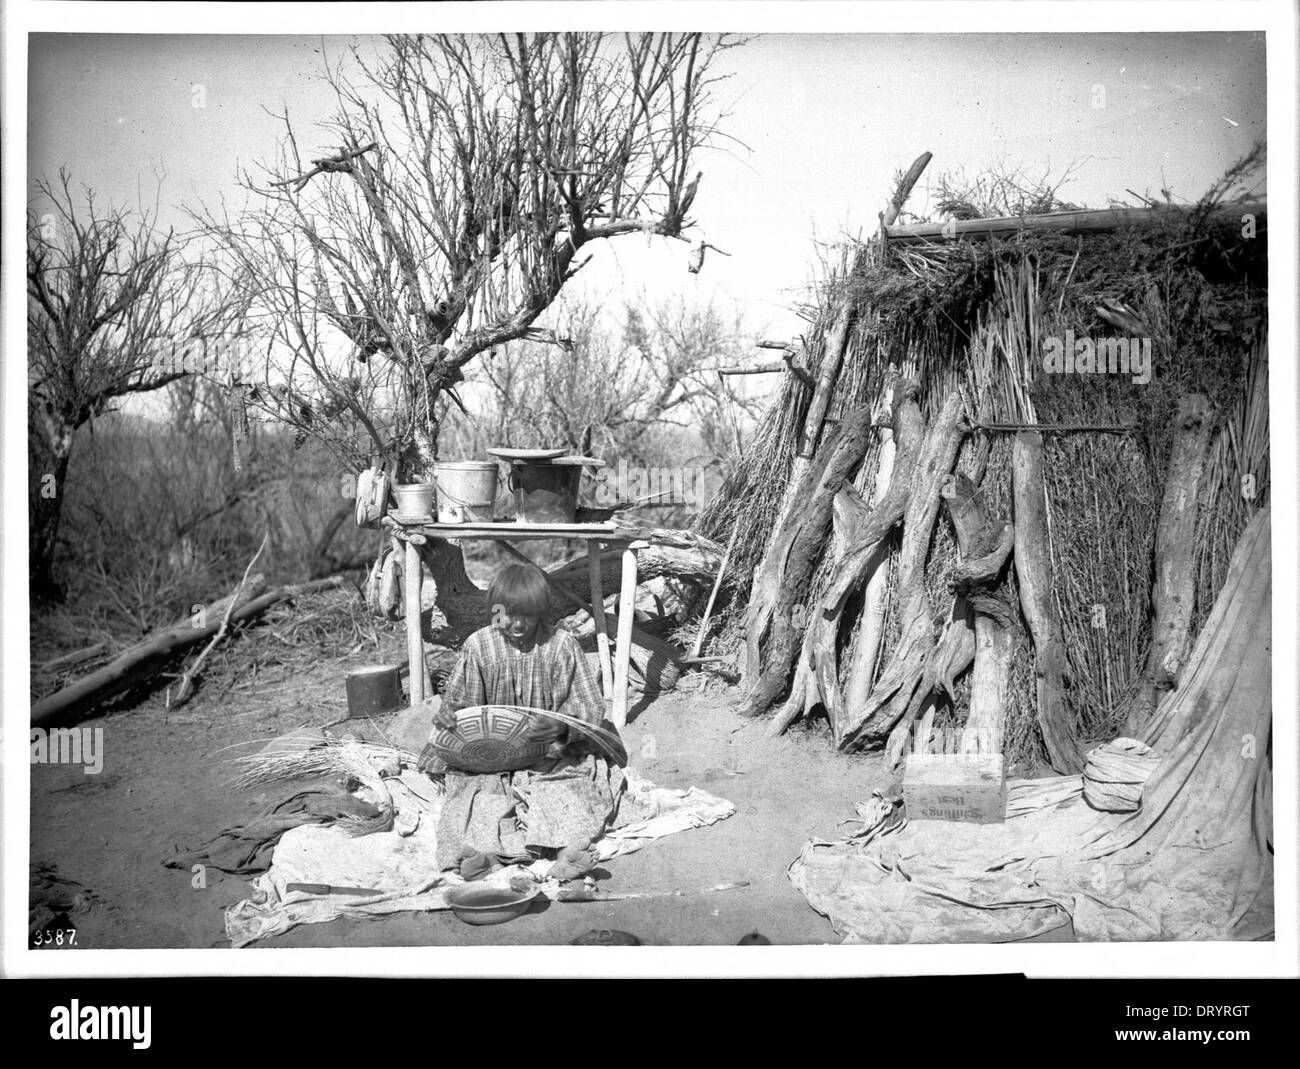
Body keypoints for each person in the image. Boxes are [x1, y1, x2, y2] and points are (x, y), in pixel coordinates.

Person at [417, 562, 607, 773]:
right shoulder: (479, 645)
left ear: (541, 612)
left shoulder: (562, 645)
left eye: (527, 615)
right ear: (495, 612)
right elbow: (457, 707)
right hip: (489, 752)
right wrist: (448, 718)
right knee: (443, 769)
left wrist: (562, 727)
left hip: (548, 750)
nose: (518, 624)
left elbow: (591, 707)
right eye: (509, 615)